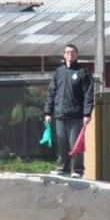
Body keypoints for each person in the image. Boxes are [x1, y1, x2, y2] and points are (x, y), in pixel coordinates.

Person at [43, 43, 94, 177]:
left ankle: (78, 170)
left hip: (76, 115)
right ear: (64, 55)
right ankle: (63, 167)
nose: (70, 54)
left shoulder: (83, 72)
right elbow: (52, 92)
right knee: (62, 143)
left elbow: (88, 94)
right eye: (67, 52)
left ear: (77, 54)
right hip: (60, 114)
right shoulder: (59, 72)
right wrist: (48, 112)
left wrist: (87, 113)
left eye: (72, 52)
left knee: (75, 144)